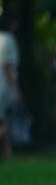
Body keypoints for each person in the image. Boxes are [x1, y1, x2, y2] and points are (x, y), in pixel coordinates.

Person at [0, 14, 21, 159]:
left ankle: (8, 154)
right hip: (4, 85)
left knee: (4, 120)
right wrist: (15, 89)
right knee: (5, 120)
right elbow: (8, 66)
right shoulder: (9, 39)